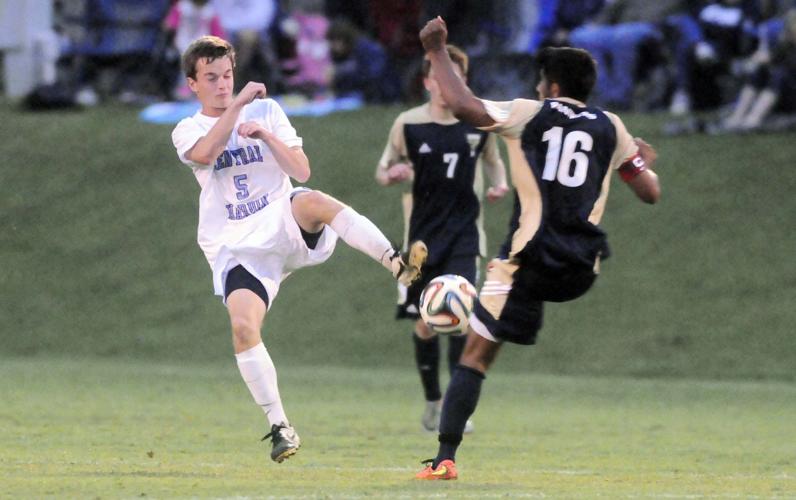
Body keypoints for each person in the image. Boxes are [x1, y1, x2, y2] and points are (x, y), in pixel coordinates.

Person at [414, 17, 661, 480]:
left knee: (474, 357)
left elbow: (462, 105)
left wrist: (437, 51)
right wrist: (640, 160)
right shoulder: (612, 127)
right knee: (499, 313)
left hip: (525, 261)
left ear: (549, 86)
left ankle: (444, 459)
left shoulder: (533, 113)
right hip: (581, 266)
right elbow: (649, 190)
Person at [170, 35, 427, 464]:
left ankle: (397, 264)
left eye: (227, 75)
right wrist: (237, 109)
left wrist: (267, 135)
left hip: (281, 219)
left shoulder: (266, 110)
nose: (221, 84)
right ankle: (280, 426)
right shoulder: (187, 129)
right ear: (192, 84)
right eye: (210, 78)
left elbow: (300, 168)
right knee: (243, 329)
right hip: (238, 245)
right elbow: (205, 153)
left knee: (312, 198)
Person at [375, 44, 509, 434]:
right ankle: (433, 401)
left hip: (465, 236)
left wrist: (500, 186)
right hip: (419, 244)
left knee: (461, 318)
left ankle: (455, 409)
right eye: (440, 76)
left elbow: (495, 163)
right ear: (428, 81)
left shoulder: (478, 123)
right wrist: (394, 173)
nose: (449, 84)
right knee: (425, 325)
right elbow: (384, 169)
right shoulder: (408, 124)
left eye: (457, 77)